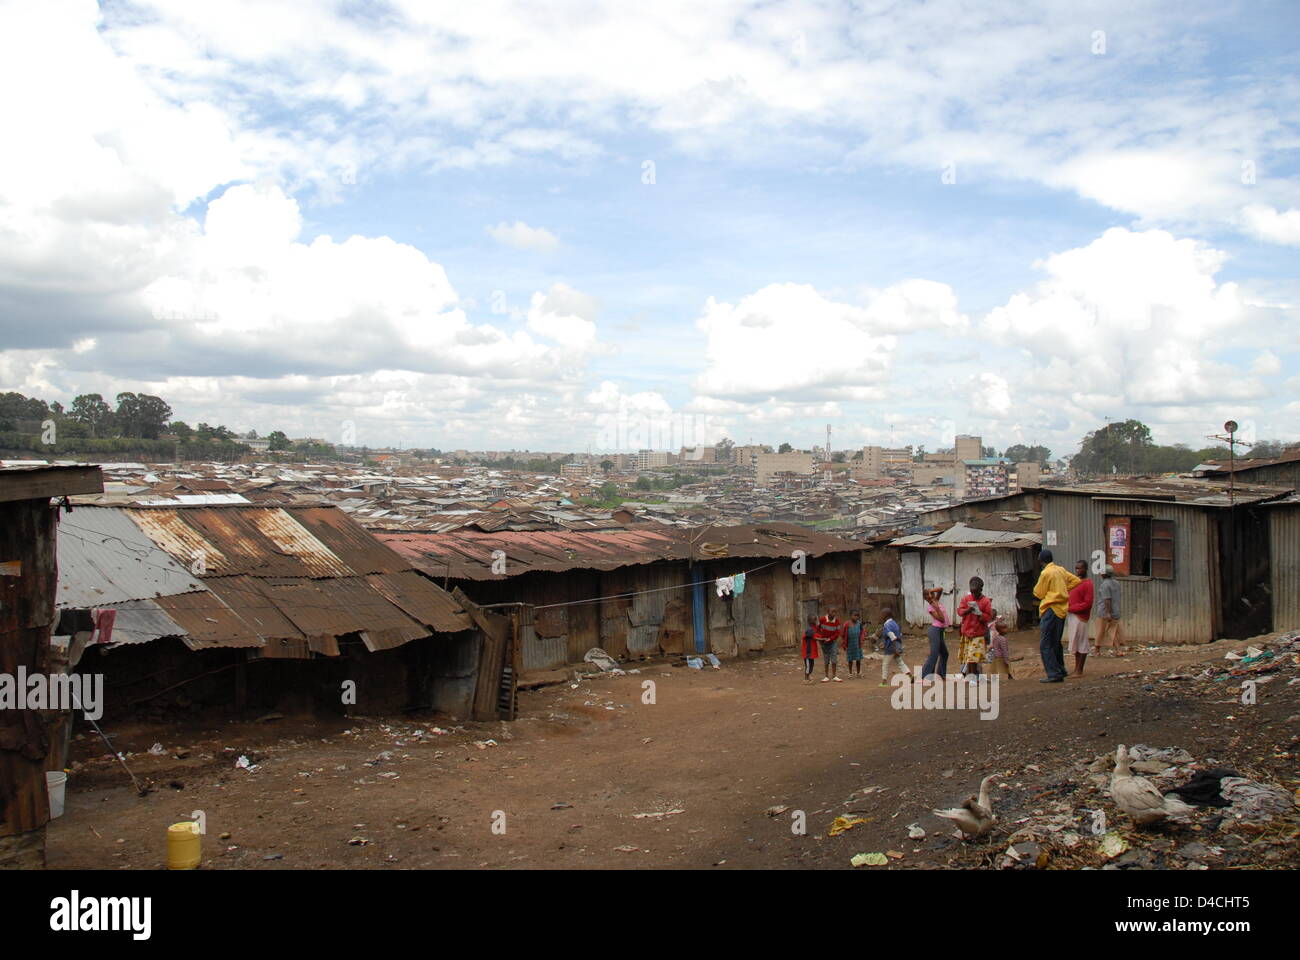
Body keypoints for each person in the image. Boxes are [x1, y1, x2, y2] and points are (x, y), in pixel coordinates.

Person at [1033, 549, 1080, 683]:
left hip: (1050, 609)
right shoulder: (1060, 570)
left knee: (1045, 644)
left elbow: (1038, 593)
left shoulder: (1046, 573)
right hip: (1061, 609)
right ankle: (1061, 669)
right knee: (1055, 641)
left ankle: (1053, 673)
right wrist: (1063, 591)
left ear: (1041, 560)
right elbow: (1076, 580)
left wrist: (1053, 593)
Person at [957, 577, 992, 685]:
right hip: (967, 632)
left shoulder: (985, 601)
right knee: (970, 657)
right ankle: (974, 676)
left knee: (974, 656)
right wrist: (968, 610)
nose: (974, 594)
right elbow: (959, 611)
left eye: (976, 592)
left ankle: (974, 677)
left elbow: (989, 616)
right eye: (972, 592)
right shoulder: (966, 599)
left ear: (981, 589)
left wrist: (980, 614)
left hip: (978, 633)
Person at [1066, 560, 1094, 677]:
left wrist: (1072, 608)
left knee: (1081, 643)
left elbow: (1088, 603)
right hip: (1073, 615)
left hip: (1080, 616)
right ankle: (1076, 669)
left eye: (1080, 568)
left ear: (1086, 569)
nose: (1078, 571)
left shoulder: (1088, 584)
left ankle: (1079, 670)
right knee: (1076, 643)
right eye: (1076, 568)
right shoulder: (1076, 582)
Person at [921, 587, 951, 684]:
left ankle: (940, 674)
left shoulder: (936, 600)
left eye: (931, 594)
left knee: (945, 653)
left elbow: (941, 589)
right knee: (934, 654)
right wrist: (937, 608)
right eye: (927, 596)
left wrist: (931, 591)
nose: (930, 597)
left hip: (940, 631)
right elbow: (942, 619)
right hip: (934, 631)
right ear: (925, 598)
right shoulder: (931, 608)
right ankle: (925, 676)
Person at [1095, 565, 1125, 657]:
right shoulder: (1116, 583)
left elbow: (1107, 599)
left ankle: (1097, 650)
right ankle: (1118, 650)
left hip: (1105, 612)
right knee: (1112, 630)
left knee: (1101, 631)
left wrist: (1108, 613)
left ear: (1104, 574)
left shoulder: (1105, 585)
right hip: (1115, 611)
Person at [878, 607, 908, 686]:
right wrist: (897, 648)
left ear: (885, 615)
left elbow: (893, 637)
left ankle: (884, 682)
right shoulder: (894, 623)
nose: (880, 616)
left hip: (891, 648)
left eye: (881, 614)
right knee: (900, 662)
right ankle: (909, 675)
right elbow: (898, 636)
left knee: (885, 664)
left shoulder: (886, 625)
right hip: (897, 646)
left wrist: (895, 650)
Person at [817, 606, 844, 682]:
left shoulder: (837, 621)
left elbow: (837, 633)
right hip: (823, 642)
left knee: (834, 658)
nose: (834, 613)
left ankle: (834, 676)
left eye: (835, 612)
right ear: (828, 612)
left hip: (833, 642)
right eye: (832, 612)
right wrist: (820, 638)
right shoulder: (822, 619)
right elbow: (817, 629)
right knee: (826, 658)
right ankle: (826, 676)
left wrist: (830, 639)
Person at [988, 608, 1012, 679]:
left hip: (996, 655)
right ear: (999, 630)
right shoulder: (1002, 639)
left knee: (994, 669)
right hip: (1001, 656)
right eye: (1004, 628)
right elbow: (1004, 650)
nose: (1006, 630)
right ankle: (1009, 676)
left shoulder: (996, 637)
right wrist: (1006, 658)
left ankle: (998, 678)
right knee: (1006, 666)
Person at [844, 611, 864, 677]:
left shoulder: (859, 623)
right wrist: (844, 643)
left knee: (858, 659)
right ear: (850, 616)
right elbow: (843, 634)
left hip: (857, 644)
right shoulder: (847, 624)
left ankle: (858, 673)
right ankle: (850, 673)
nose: (856, 617)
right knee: (850, 659)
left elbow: (862, 632)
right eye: (854, 615)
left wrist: (861, 639)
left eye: (857, 616)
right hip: (850, 644)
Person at [800, 615, 819, 684]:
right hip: (807, 652)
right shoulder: (809, 630)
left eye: (815, 619)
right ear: (809, 621)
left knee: (812, 664)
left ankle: (808, 676)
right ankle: (806, 678)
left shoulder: (813, 628)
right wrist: (822, 639)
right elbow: (814, 637)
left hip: (810, 652)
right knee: (808, 666)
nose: (815, 621)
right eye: (813, 620)